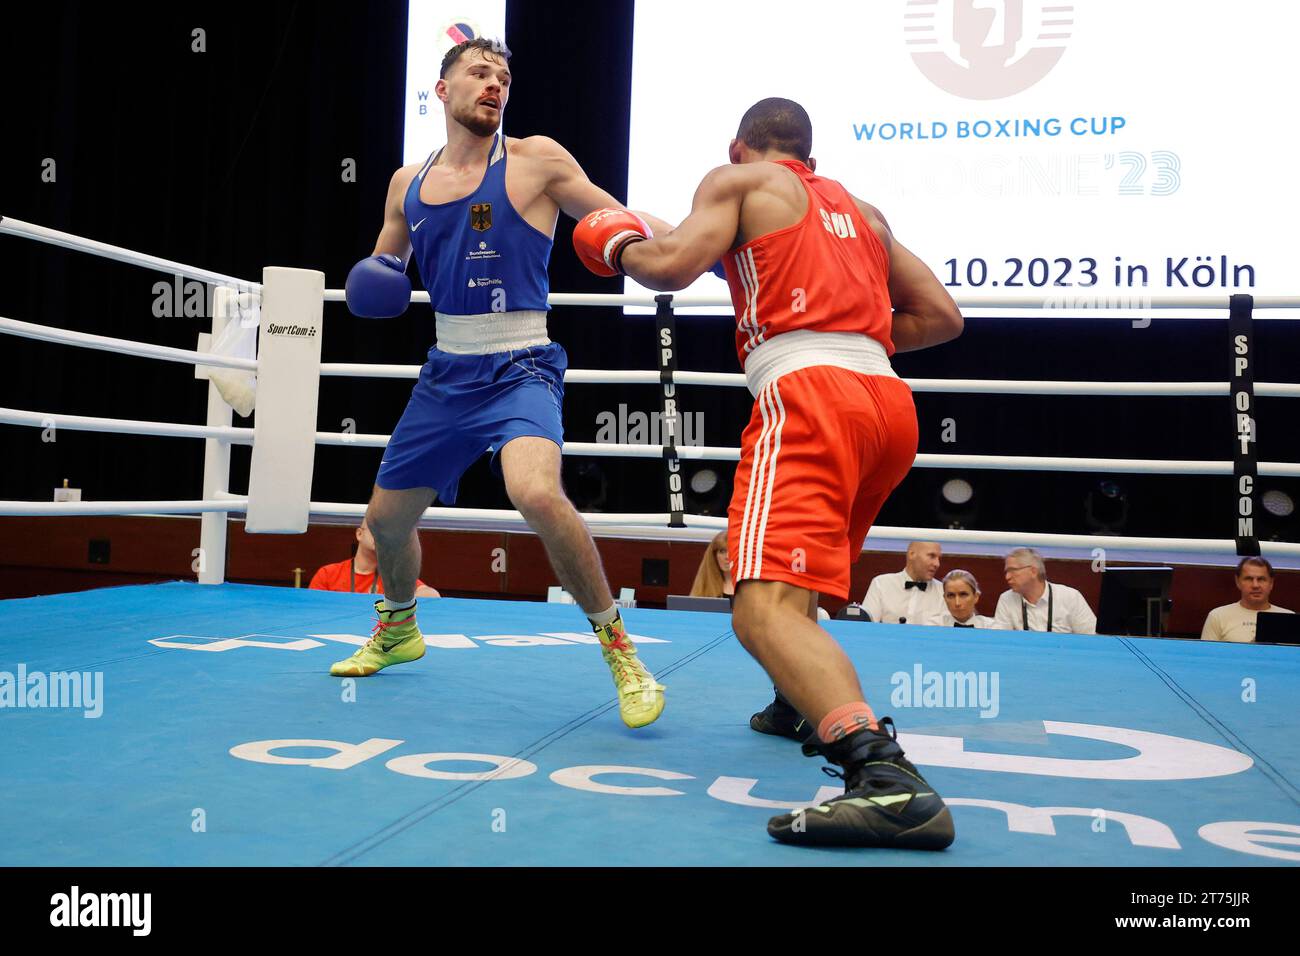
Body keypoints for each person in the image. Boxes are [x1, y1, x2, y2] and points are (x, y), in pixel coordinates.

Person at [574, 97, 963, 848]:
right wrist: (855, 335)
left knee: (760, 608)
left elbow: (670, 266)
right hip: (887, 404)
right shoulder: (865, 213)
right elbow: (943, 315)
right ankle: (795, 703)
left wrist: (617, 245)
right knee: (802, 574)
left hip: (810, 394)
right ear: (809, 157)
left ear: (739, 147)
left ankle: (882, 775)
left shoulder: (737, 184)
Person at [332, 37, 669, 729]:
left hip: (521, 363)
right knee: (385, 524)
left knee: (536, 492)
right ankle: (398, 628)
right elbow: (382, 269)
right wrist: (371, 278)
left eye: (503, 77)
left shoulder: (536, 159)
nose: (494, 84)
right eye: (480, 73)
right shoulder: (406, 182)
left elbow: (618, 218)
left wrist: (704, 246)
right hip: (448, 370)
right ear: (442, 90)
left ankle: (620, 650)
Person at [309, 519, 439, 597]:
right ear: (359, 534)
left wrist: (394, 603)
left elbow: (432, 595)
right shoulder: (328, 574)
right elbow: (312, 608)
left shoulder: (394, 576)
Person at [993, 547, 1096, 633]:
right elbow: (1000, 640)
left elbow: (1092, 636)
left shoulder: (1070, 596)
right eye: (1006, 572)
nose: (1007, 577)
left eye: (1012, 570)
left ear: (1033, 571)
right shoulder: (1006, 599)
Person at [1201, 557, 1293, 643]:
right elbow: (1205, 657)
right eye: (1249, 579)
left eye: (1261, 579)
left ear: (1271, 583)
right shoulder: (1218, 616)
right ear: (1238, 582)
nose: (1255, 585)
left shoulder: (1290, 618)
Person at [861, 541, 947, 625]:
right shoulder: (881, 584)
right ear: (911, 554)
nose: (937, 564)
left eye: (939, 558)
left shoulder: (944, 591)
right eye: (932, 556)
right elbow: (866, 628)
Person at [689, 531, 733, 598]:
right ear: (714, 556)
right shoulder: (703, 588)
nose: (727, 556)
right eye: (722, 551)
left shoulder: (750, 587)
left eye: (731, 551)